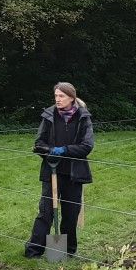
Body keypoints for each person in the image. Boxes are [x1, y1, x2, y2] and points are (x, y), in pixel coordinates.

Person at [25, 82, 94, 258]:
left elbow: (87, 146)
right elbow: (39, 144)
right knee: (46, 212)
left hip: (74, 173)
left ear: (71, 97)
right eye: (56, 96)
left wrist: (64, 150)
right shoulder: (49, 115)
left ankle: (67, 251)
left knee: (71, 214)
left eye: (61, 96)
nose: (58, 99)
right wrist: (49, 153)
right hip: (51, 171)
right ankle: (33, 251)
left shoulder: (83, 117)